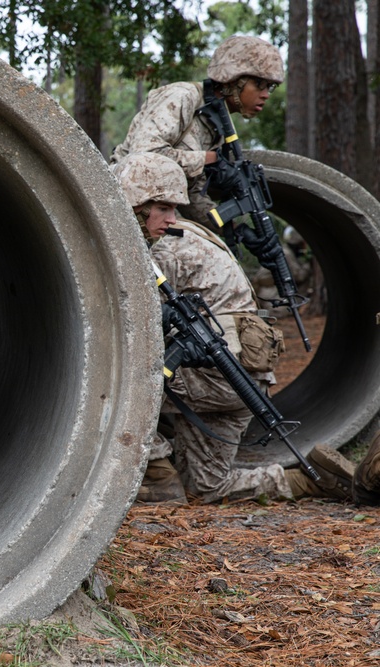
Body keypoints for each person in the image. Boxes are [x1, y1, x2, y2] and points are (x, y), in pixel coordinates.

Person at [112, 152, 355, 505]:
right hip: (240, 378)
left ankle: (155, 471)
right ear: (136, 205)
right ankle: (305, 482)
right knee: (207, 487)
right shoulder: (186, 235)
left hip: (215, 376)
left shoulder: (163, 251)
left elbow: (129, 328)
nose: (171, 218)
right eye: (163, 208)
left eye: (173, 209)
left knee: (110, 381)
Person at [111, 35, 284, 225]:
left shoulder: (217, 125)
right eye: (259, 85)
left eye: (270, 87)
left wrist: (231, 229)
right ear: (233, 80)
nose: (266, 95)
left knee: (207, 242)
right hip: (122, 202)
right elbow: (143, 156)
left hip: (156, 214)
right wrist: (209, 159)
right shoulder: (182, 97)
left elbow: (192, 194)